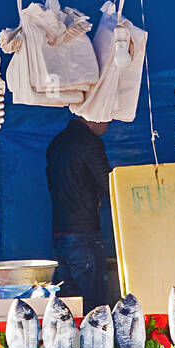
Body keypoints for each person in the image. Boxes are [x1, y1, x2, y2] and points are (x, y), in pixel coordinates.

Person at [46, 115, 113, 311]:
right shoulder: (89, 142)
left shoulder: (56, 143)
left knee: (66, 307)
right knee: (93, 308)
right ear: (93, 114)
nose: (109, 124)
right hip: (83, 235)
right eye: (107, 117)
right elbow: (109, 184)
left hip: (59, 235)